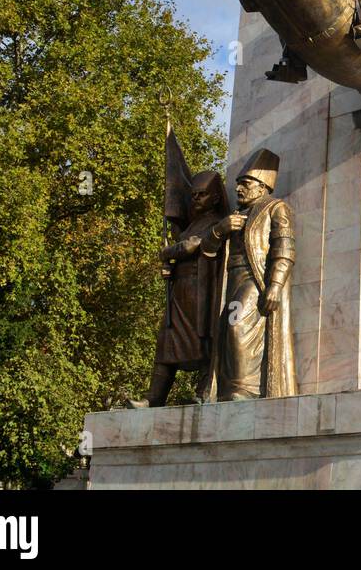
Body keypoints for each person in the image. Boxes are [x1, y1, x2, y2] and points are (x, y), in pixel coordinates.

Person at [127, 170, 228, 407]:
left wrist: (168, 252)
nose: (195, 199)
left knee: (202, 339)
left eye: (202, 194)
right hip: (179, 291)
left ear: (214, 198)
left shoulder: (214, 222)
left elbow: (191, 246)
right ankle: (154, 398)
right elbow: (183, 248)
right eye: (193, 195)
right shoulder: (192, 224)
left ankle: (204, 391)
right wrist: (170, 269)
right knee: (166, 340)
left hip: (200, 290)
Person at [206, 149, 297, 399]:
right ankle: (226, 389)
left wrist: (275, 285)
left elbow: (285, 250)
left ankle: (245, 390)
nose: (238, 189)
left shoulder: (276, 208)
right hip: (232, 278)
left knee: (237, 326)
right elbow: (208, 249)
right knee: (226, 330)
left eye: (245, 184)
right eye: (237, 184)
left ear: (262, 187)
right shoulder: (234, 216)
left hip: (255, 279)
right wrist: (218, 231)